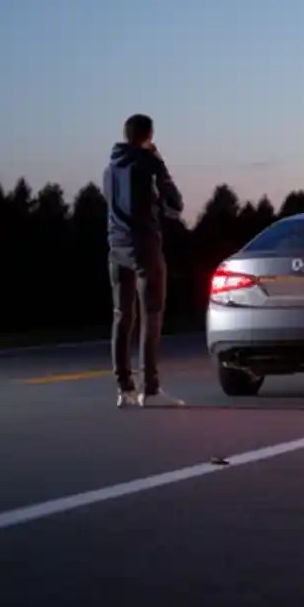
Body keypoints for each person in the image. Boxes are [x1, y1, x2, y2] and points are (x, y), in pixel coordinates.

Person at [103, 113, 186, 408]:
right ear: (149, 136)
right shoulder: (147, 163)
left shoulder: (110, 168)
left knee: (122, 315)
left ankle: (123, 387)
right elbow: (175, 201)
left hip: (116, 247)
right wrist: (159, 161)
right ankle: (149, 388)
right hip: (144, 246)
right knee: (152, 314)